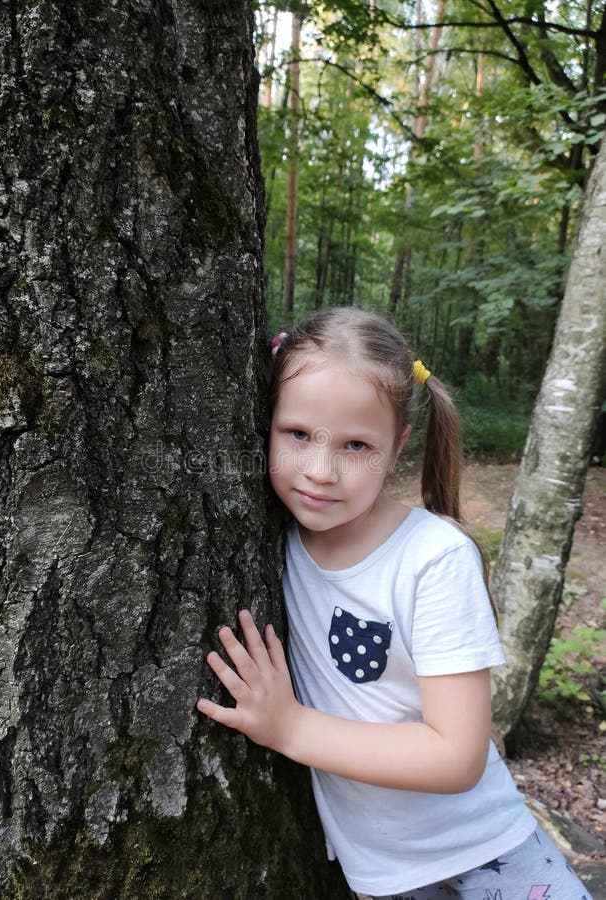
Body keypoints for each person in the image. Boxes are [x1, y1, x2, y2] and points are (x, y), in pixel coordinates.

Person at [197, 307, 593, 900]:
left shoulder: (432, 558)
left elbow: (456, 756)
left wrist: (291, 727)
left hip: (490, 855)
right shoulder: (269, 538)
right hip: (383, 878)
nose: (320, 471)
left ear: (396, 447)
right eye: (297, 433)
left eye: (356, 444)